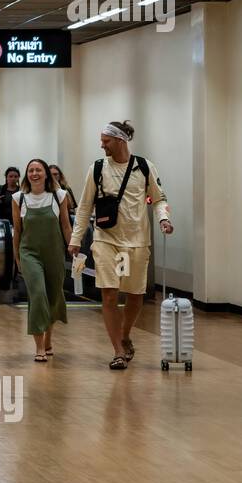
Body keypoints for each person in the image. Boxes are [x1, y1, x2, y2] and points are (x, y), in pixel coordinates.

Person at [68, 120, 173, 370]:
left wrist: (164, 219)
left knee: (136, 295)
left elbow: (159, 199)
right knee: (109, 292)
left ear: (120, 141)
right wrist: (75, 239)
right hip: (106, 240)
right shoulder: (96, 169)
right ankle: (117, 351)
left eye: (106, 141)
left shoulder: (144, 167)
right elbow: (84, 206)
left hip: (137, 241)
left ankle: (125, 335)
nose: (101, 145)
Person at [12, 159, 72, 362]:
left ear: (47, 174)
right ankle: (39, 347)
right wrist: (17, 256)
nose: (34, 173)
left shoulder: (59, 196)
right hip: (29, 254)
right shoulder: (18, 198)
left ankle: (48, 339)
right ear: (26, 175)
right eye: (31, 170)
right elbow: (17, 230)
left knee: (53, 296)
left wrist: (73, 246)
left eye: (38, 170)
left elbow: (65, 225)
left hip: (54, 253)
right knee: (37, 294)